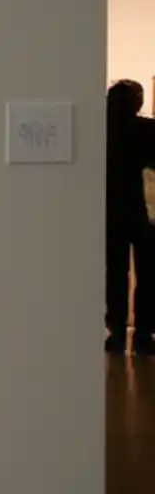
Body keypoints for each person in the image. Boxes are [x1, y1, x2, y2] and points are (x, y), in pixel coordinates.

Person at [106, 80, 155, 354]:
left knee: (115, 272)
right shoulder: (147, 130)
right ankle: (144, 334)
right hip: (144, 214)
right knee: (148, 275)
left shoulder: (101, 131)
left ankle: (115, 330)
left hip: (110, 213)